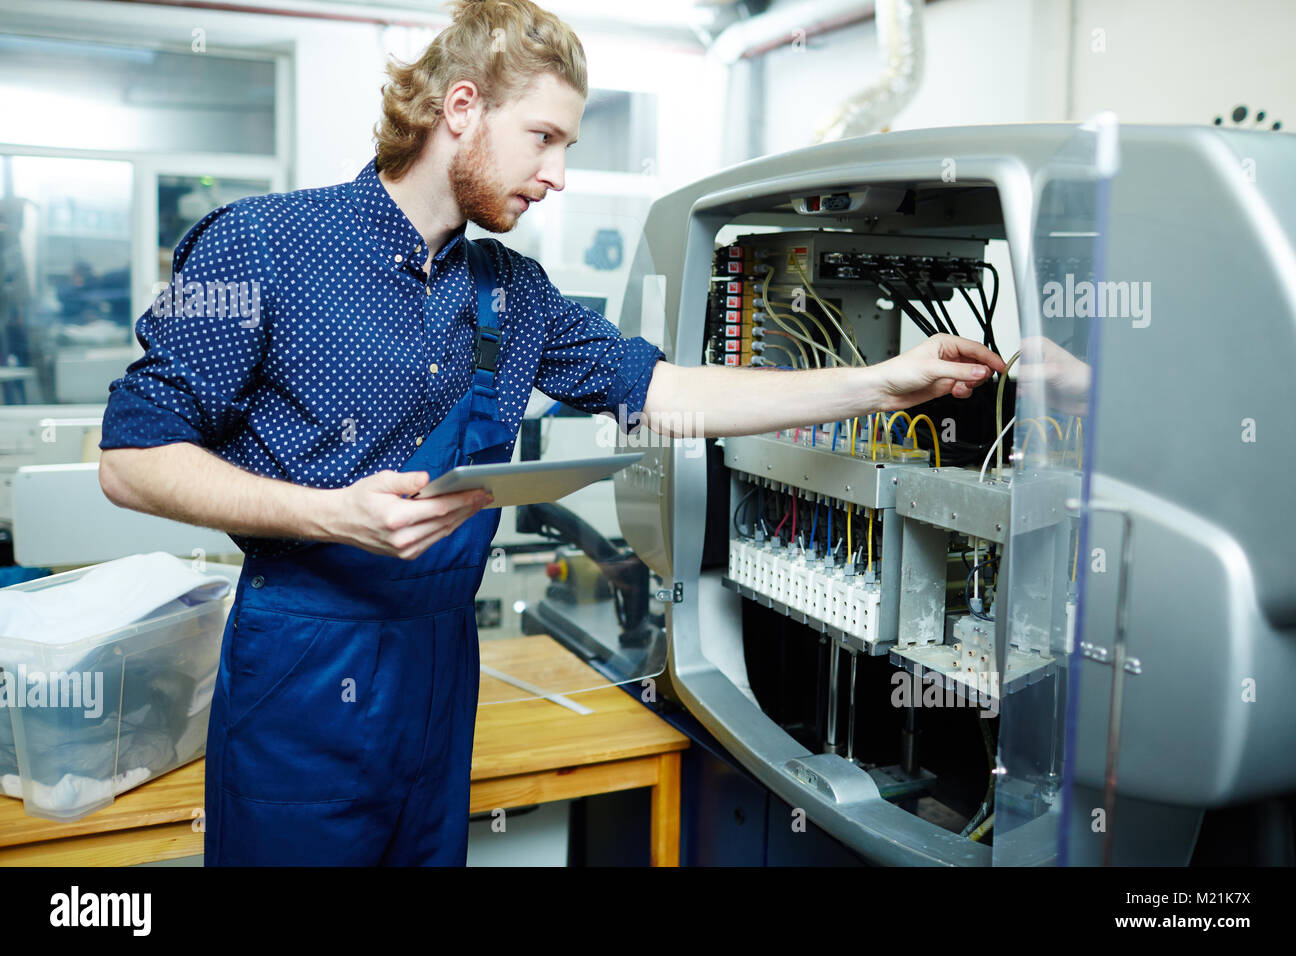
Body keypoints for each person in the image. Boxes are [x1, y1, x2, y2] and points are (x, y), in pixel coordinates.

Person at [97, 0, 1004, 866]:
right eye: (545, 137)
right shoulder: (262, 245)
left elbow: (667, 391)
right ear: (461, 108)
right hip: (301, 668)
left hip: (441, 666)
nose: (558, 174)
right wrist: (334, 516)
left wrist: (884, 383)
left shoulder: (511, 291)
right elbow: (132, 461)